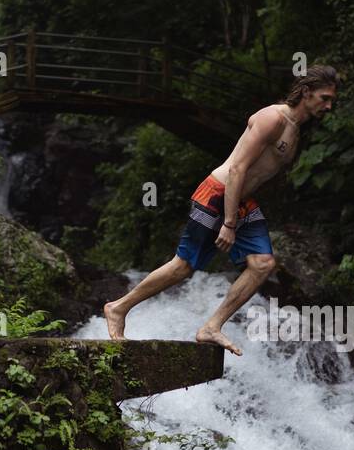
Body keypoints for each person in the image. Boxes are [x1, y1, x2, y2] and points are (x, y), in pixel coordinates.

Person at [103, 65, 339, 355]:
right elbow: (238, 168)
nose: (328, 106)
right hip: (218, 194)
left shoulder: (295, 129)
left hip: (242, 201)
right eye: (324, 98)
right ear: (305, 92)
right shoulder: (272, 118)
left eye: (331, 100)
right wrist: (229, 222)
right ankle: (118, 308)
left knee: (263, 264)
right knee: (183, 267)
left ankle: (211, 327)